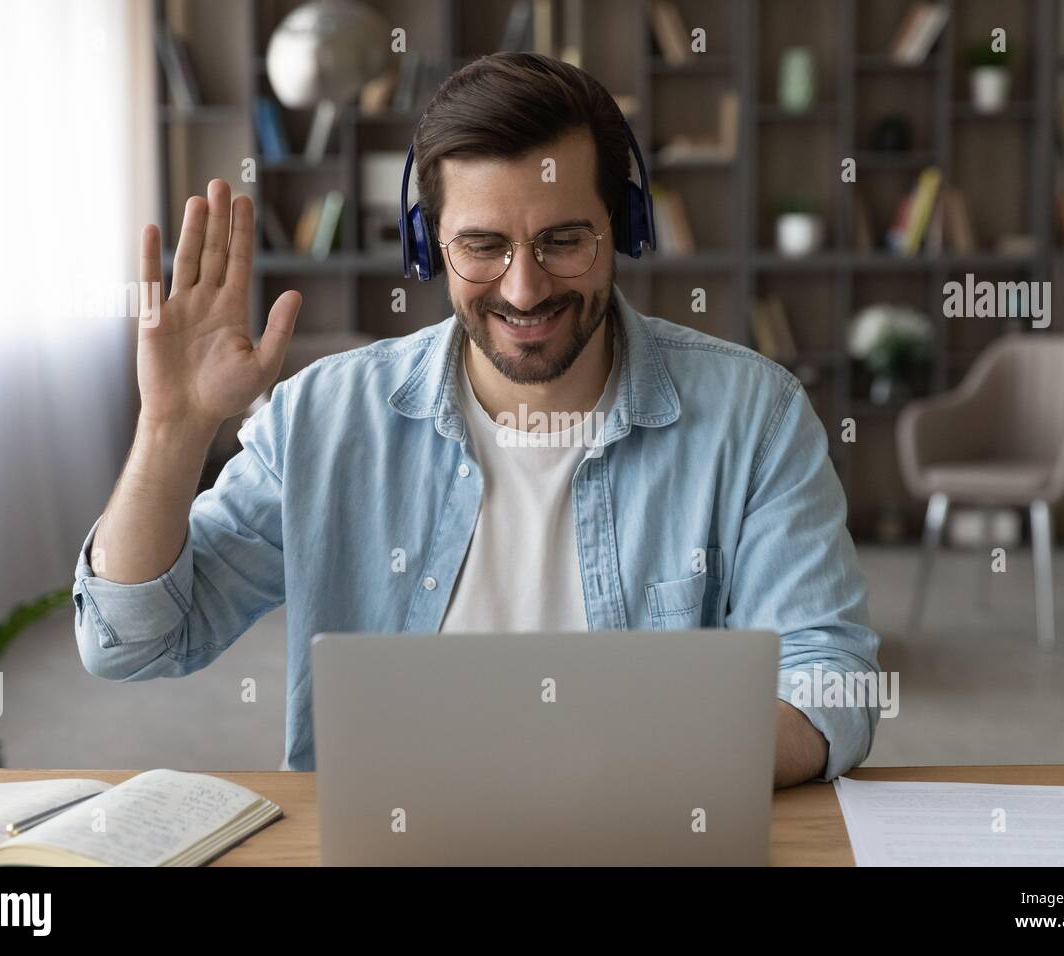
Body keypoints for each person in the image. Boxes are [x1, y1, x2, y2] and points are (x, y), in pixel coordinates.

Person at [74, 52, 880, 787]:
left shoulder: (756, 416)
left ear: (625, 229)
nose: (524, 290)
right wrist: (172, 431)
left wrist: (615, 765)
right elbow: (132, 642)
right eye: (482, 246)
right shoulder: (326, 419)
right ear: (427, 248)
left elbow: (830, 684)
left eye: (564, 240)